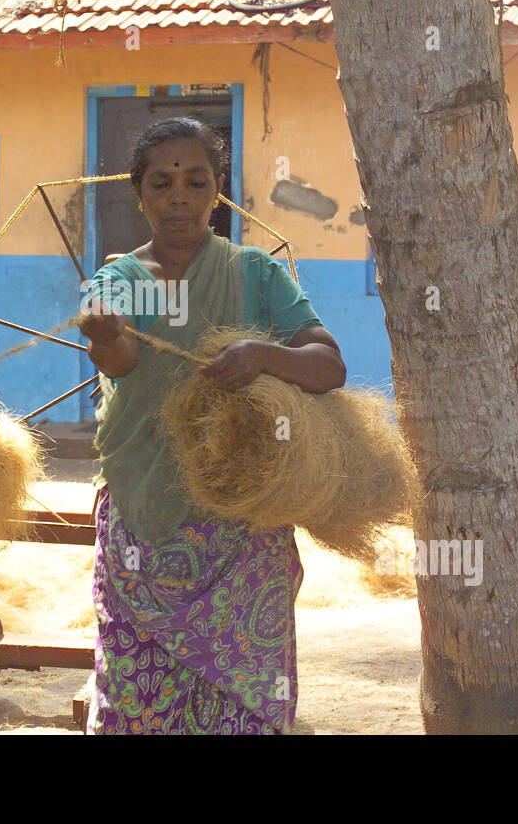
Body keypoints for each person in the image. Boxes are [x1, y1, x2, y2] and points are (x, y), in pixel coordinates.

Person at [78, 117, 346, 734]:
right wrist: (105, 334)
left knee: (241, 704)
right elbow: (120, 361)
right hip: (144, 525)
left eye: (195, 182)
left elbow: (328, 364)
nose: (179, 198)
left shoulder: (258, 276)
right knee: (138, 699)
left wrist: (263, 355)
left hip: (244, 528)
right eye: (162, 183)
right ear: (138, 192)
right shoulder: (120, 282)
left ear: (217, 189)